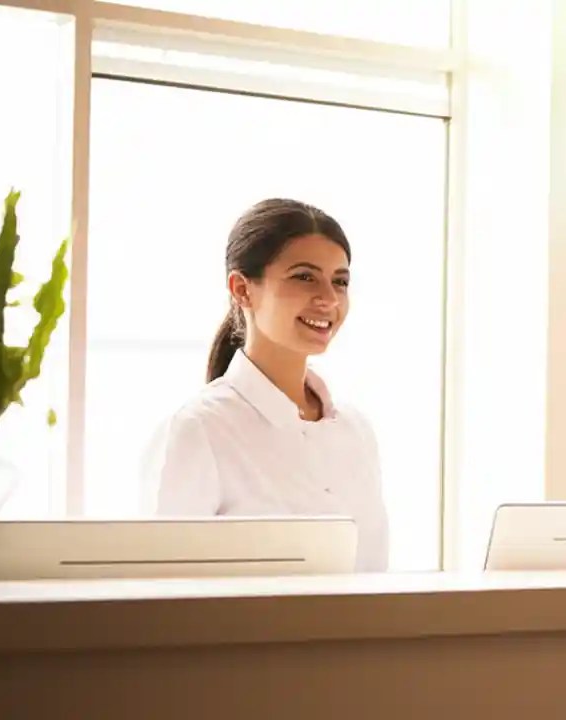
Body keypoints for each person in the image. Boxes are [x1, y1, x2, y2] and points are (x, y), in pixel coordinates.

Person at [142, 198, 388, 572]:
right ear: (242, 289)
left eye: (340, 281)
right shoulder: (199, 429)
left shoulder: (356, 432)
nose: (328, 298)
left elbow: (373, 578)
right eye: (304, 276)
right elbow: (161, 591)